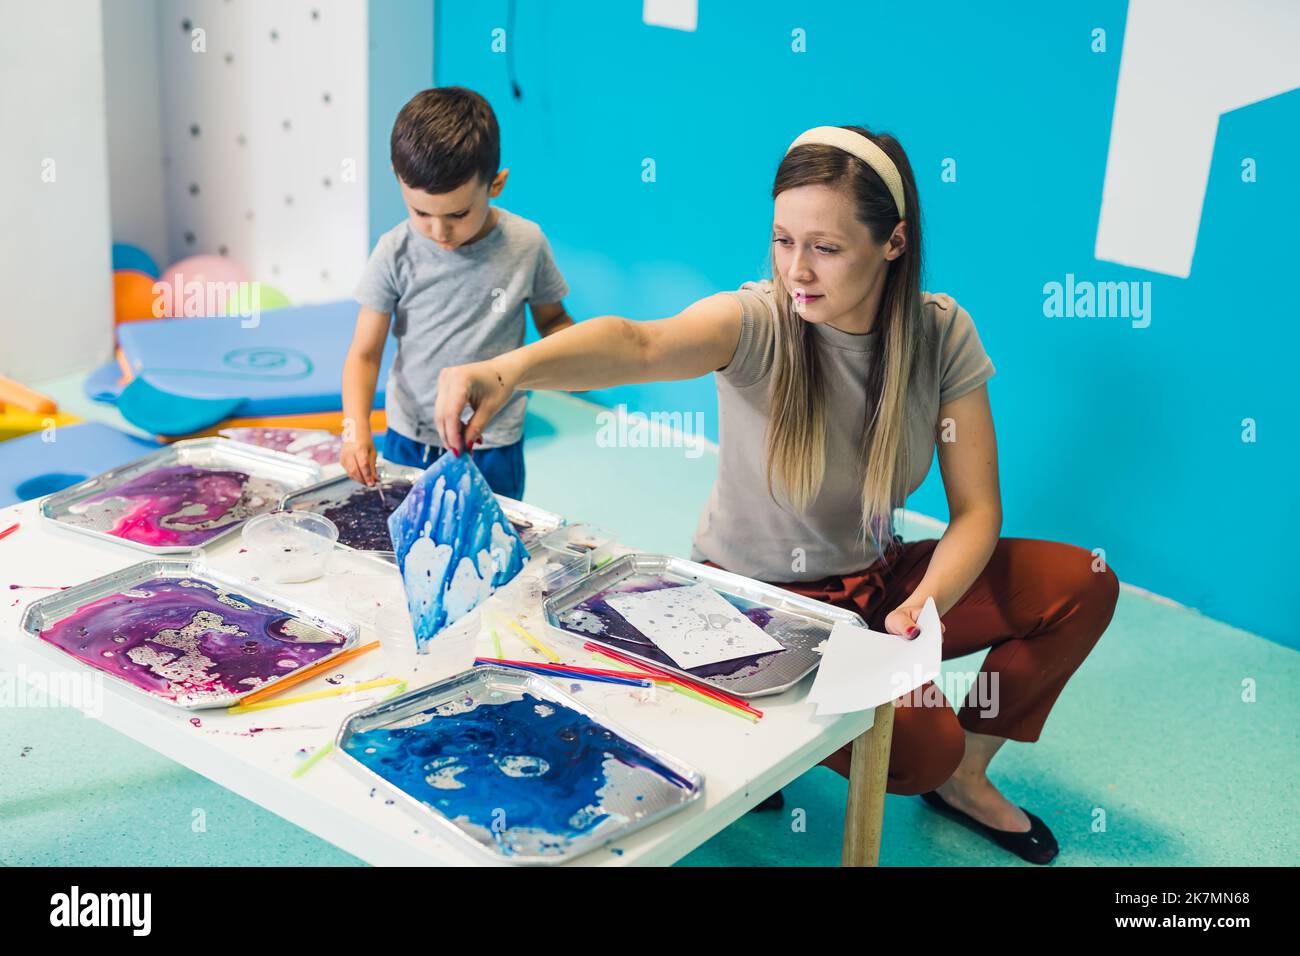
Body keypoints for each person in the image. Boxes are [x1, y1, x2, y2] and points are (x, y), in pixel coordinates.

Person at [431, 124, 1119, 864]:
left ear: (893, 242)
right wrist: (507, 370)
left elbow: (978, 511)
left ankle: (963, 782)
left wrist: (930, 602)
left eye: (825, 246)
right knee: (922, 750)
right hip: (756, 608)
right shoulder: (756, 321)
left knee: (1082, 584)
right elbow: (638, 342)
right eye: (783, 240)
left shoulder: (940, 331)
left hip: (877, 586)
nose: (798, 269)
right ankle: (765, 721)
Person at [341, 86, 573, 499]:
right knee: (397, 547)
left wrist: (580, 358)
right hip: (409, 437)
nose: (439, 231)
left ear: (496, 184)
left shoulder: (526, 244)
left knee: (489, 553)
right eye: (421, 213)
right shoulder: (395, 251)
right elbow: (364, 353)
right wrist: (356, 430)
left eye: (458, 214)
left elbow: (553, 320)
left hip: (491, 440)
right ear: (398, 179)